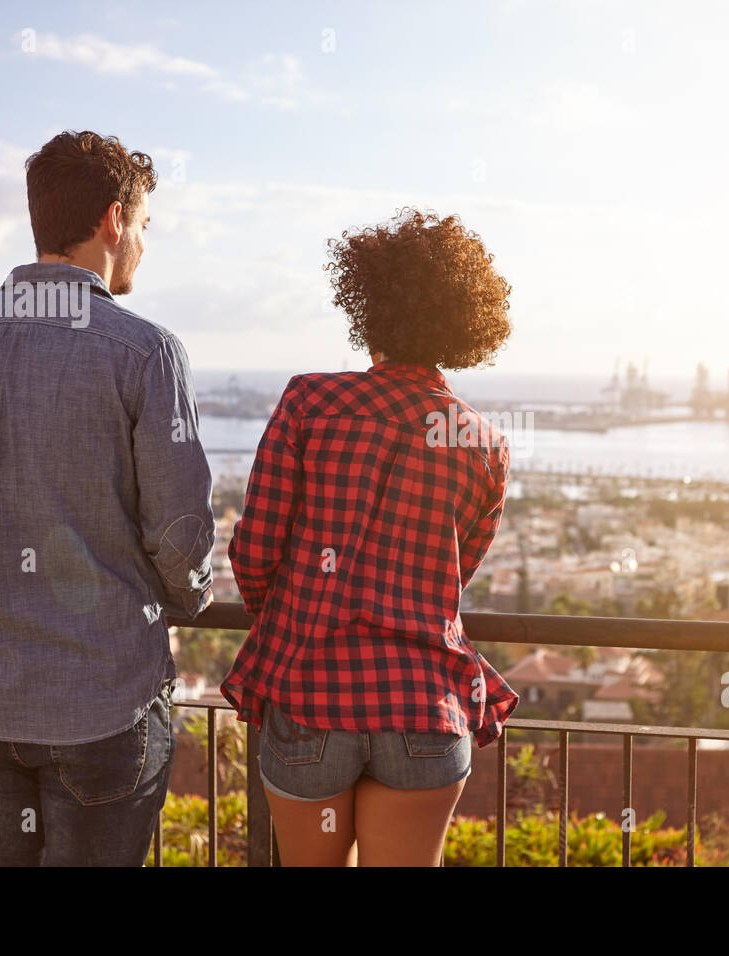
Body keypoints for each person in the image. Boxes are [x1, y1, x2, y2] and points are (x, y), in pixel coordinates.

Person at [0, 130, 215, 866]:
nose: (142, 242)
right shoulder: (145, 350)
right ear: (114, 220)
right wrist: (189, 598)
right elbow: (179, 535)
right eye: (143, 225)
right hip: (104, 701)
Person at [220, 206, 519, 866]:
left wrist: (299, 607)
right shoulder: (484, 444)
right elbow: (452, 576)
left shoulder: (311, 401)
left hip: (311, 697)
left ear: (369, 305)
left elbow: (257, 553)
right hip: (425, 710)